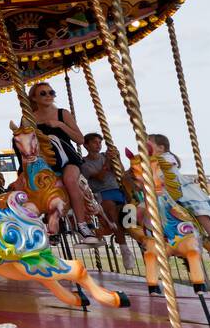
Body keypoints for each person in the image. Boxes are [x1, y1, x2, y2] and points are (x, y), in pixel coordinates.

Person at [26, 82, 99, 238]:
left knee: (70, 179)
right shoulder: (30, 118)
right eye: (43, 93)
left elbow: (79, 139)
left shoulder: (62, 114)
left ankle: (81, 224)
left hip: (67, 158)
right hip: (44, 160)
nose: (48, 96)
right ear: (34, 98)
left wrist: (59, 125)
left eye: (51, 93)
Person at [147, 134, 210, 260]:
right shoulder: (149, 161)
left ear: (161, 148)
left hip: (178, 188)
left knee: (198, 209)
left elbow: (165, 168)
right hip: (160, 192)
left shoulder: (167, 157)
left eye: (148, 144)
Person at [81, 133, 136, 269]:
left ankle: (134, 239)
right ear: (86, 145)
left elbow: (121, 172)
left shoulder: (106, 156)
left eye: (100, 142)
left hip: (117, 191)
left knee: (132, 213)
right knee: (112, 214)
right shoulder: (84, 163)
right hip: (101, 194)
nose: (98, 145)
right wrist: (108, 162)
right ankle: (124, 249)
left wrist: (117, 158)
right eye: (95, 142)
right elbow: (100, 177)